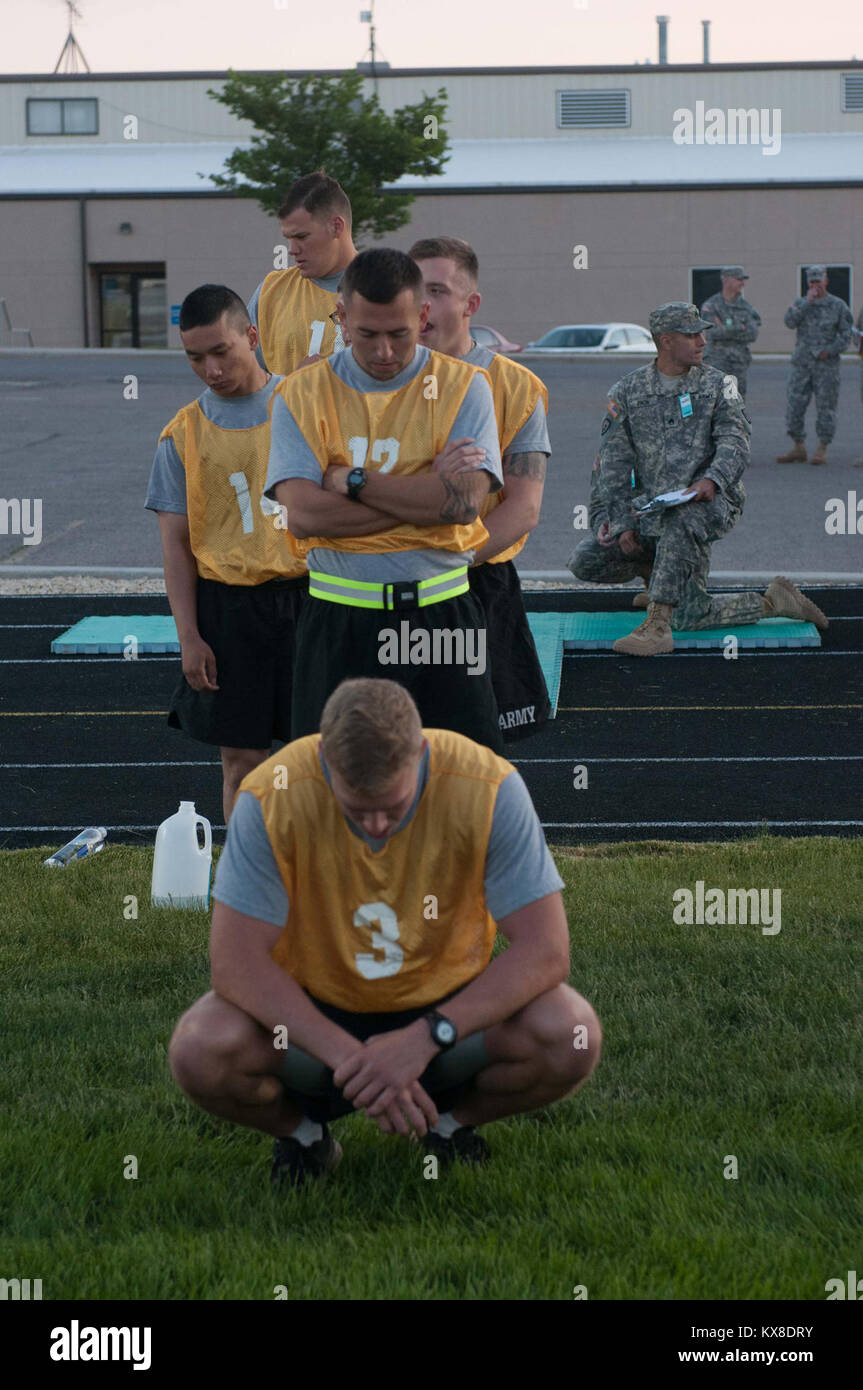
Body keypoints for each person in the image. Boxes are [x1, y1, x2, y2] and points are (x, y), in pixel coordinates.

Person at [168, 677, 601, 1188]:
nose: (376, 826)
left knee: (571, 1032)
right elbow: (235, 964)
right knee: (200, 1047)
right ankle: (307, 1139)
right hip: (315, 1015)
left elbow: (546, 951)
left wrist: (425, 1038)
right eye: (357, 809)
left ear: (420, 754)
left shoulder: (486, 785)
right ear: (325, 763)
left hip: (445, 1015)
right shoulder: (273, 793)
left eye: (392, 808)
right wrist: (354, 1059)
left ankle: (446, 1127)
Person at [265, 247, 507, 752]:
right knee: (333, 786)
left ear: (422, 317)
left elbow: (462, 506)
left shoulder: (467, 386)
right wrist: (422, 494)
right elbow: (304, 515)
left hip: (441, 616)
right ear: (342, 317)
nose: (383, 352)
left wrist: (351, 480)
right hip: (338, 618)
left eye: (398, 334)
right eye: (367, 334)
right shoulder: (300, 393)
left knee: (456, 787)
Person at [568, 302, 829, 656]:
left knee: (682, 522)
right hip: (653, 508)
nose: (702, 341)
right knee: (590, 559)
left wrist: (712, 480)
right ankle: (758, 598)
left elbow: (735, 442)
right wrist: (617, 520)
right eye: (691, 334)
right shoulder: (627, 391)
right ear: (665, 341)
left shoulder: (720, 385)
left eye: (702, 332)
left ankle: (658, 624)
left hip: (709, 503)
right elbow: (612, 463)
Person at [145, 284, 306, 823]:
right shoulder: (181, 434)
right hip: (230, 609)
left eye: (221, 351)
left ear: (252, 336)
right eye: (196, 357)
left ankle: (327, 878)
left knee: (328, 753)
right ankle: (245, 886)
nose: (211, 368)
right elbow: (176, 548)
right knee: (242, 762)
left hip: (314, 599)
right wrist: (189, 636)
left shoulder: (305, 405)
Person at [409, 235, 551, 741]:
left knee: (480, 752)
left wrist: (446, 564)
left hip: (474, 584)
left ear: (471, 305)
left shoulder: (514, 386)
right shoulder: (368, 379)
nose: (421, 306)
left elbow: (523, 507)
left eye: (437, 291)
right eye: (412, 290)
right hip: (381, 584)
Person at [247, 170, 357, 376]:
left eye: (302, 236)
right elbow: (245, 385)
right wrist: (291, 388)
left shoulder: (386, 288)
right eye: (288, 238)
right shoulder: (270, 292)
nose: (292, 249)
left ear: (336, 226)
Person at [776, 266, 853, 467]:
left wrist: (830, 350)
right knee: (794, 405)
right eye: (812, 282)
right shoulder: (801, 303)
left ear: (826, 281)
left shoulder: (838, 306)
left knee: (826, 407)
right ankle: (798, 446)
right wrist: (807, 302)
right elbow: (789, 322)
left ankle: (822, 448)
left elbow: (846, 335)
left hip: (826, 366)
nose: (815, 285)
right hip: (802, 364)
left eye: (819, 281)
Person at [700, 265, 761, 401]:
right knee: (713, 403)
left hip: (738, 365)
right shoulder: (711, 305)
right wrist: (739, 327)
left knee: (735, 405)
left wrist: (724, 328)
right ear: (726, 281)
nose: (742, 283)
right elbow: (712, 333)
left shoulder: (746, 307)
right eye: (739, 279)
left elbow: (753, 334)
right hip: (716, 364)